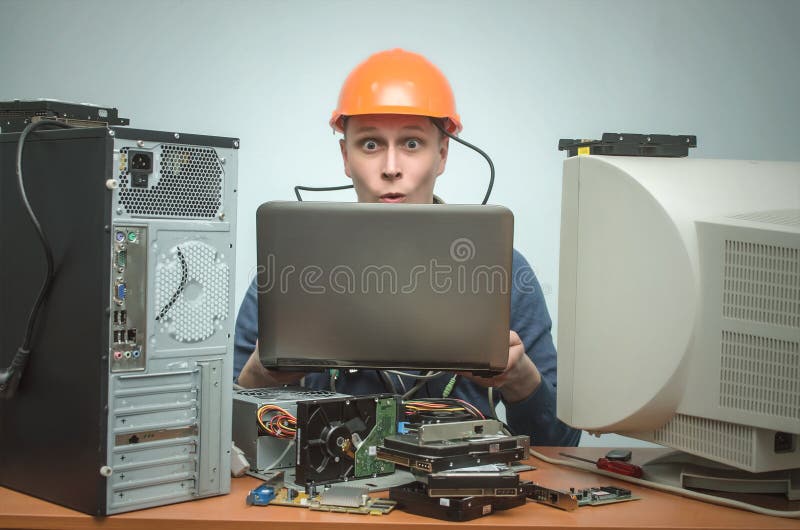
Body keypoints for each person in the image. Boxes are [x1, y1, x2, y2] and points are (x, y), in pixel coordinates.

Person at [234, 48, 580, 446]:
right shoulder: (288, 271)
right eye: (370, 145)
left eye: (413, 143)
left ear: (443, 155)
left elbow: (562, 443)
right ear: (345, 157)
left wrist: (522, 381)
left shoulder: (503, 270)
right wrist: (258, 377)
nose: (391, 166)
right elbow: (225, 441)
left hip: (455, 494)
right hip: (319, 500)